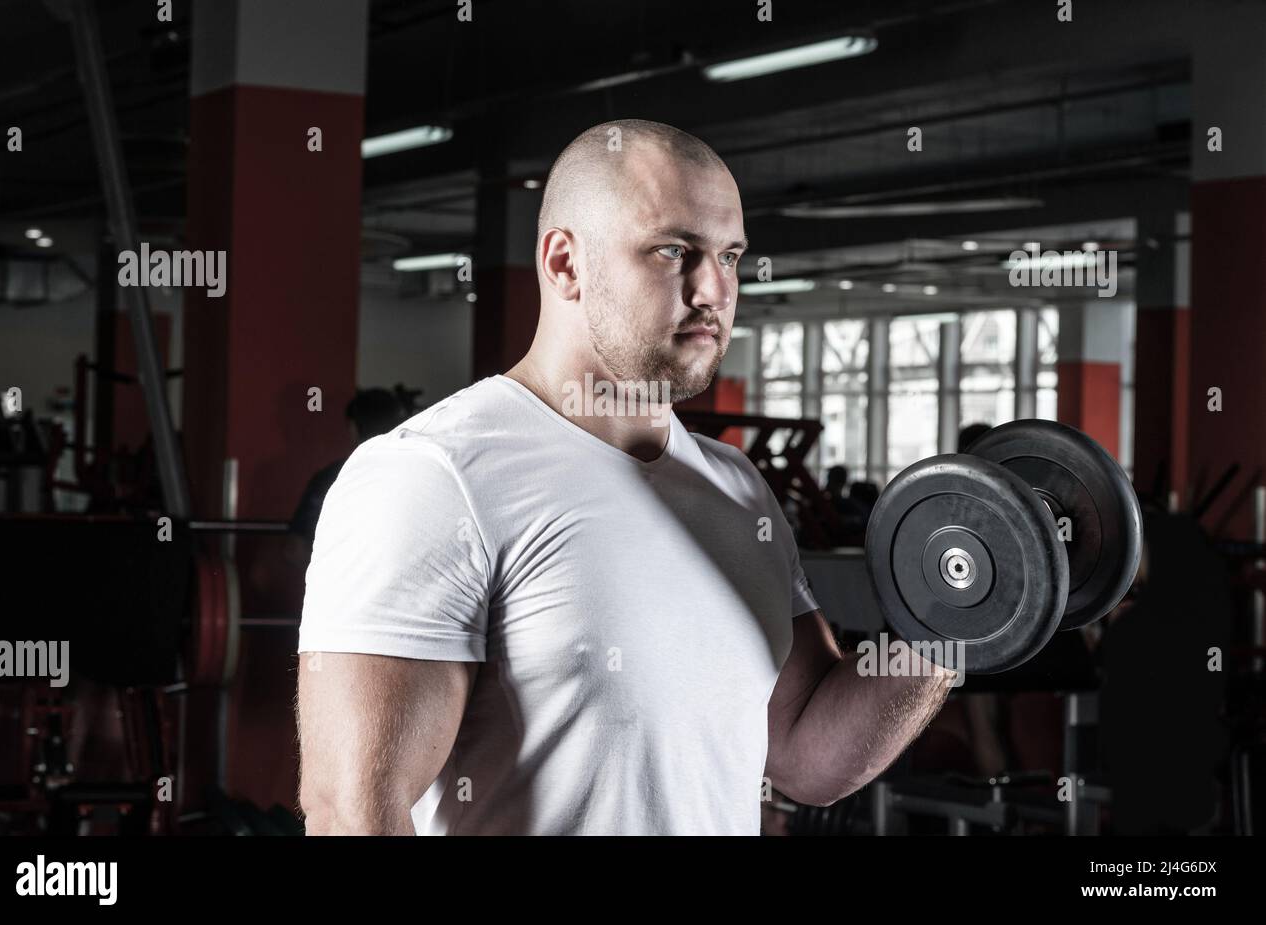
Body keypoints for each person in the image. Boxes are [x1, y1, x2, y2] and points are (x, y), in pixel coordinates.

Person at [296, 120, 955, 835]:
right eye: (675, 251)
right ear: (565, 264)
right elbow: (352, 811)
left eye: (731, 256)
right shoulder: (434, 475)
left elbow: (806, 754)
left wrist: (959, 612)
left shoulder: (738, 488)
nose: (714, 290)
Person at [286, 388, 410, 568]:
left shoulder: (333, 478)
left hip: (342, 584)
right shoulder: (417, 473)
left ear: (353, 428)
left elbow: (294, 550)